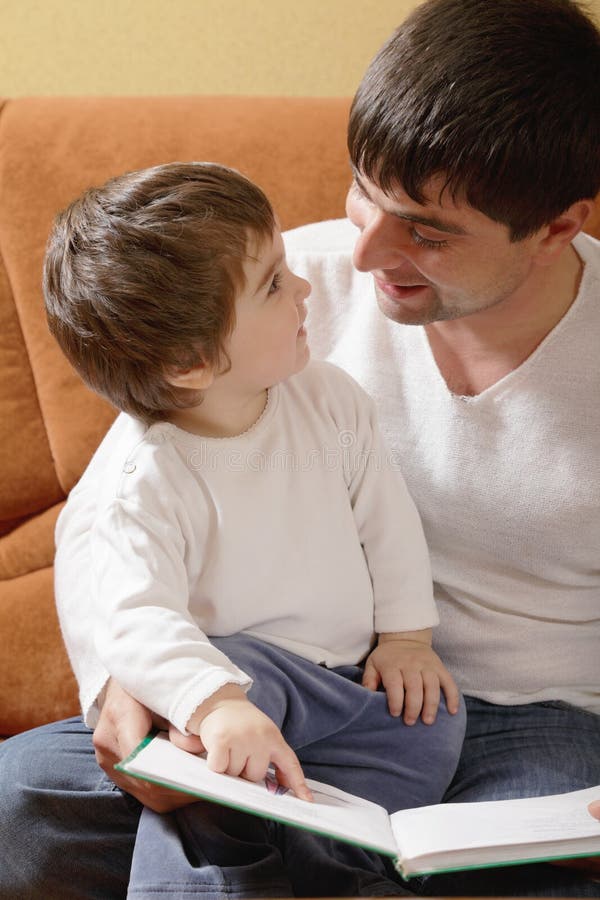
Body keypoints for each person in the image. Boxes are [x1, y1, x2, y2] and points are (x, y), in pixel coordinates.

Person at [1, 0, 599, 896]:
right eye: (364, 190)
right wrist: (122, 686)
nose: (363, 253)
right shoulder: (269, 288)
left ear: (557, 226)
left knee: (535, 878)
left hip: (531, 721)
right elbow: (109, 514)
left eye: (425, 231)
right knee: (15, 806)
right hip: (277, 684)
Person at [0, 159, 465, 899]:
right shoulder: (146, 480)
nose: (305, 287)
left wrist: (407, 637)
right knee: (212, 728)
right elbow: (134, 617)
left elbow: (387, 520)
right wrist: (216, 705)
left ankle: (335, 867)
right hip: (232, 702)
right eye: (274, 284)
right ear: (192, 362)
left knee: (432, 725)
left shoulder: (329, 400)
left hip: (351, 699)